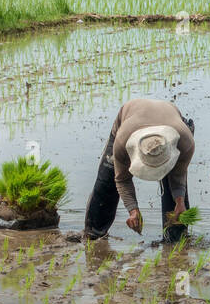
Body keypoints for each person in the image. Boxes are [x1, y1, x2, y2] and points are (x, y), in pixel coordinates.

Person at [82, 98, 195, 243]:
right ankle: (94, 234)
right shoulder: (123, 141)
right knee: (107, 178)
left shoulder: (185, 142)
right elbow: (122, 179)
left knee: (177, 202)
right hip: (130, 120)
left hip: (172, 123)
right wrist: (133, 210)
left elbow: (178, 175)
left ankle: (175, 239)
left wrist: (180, 202)